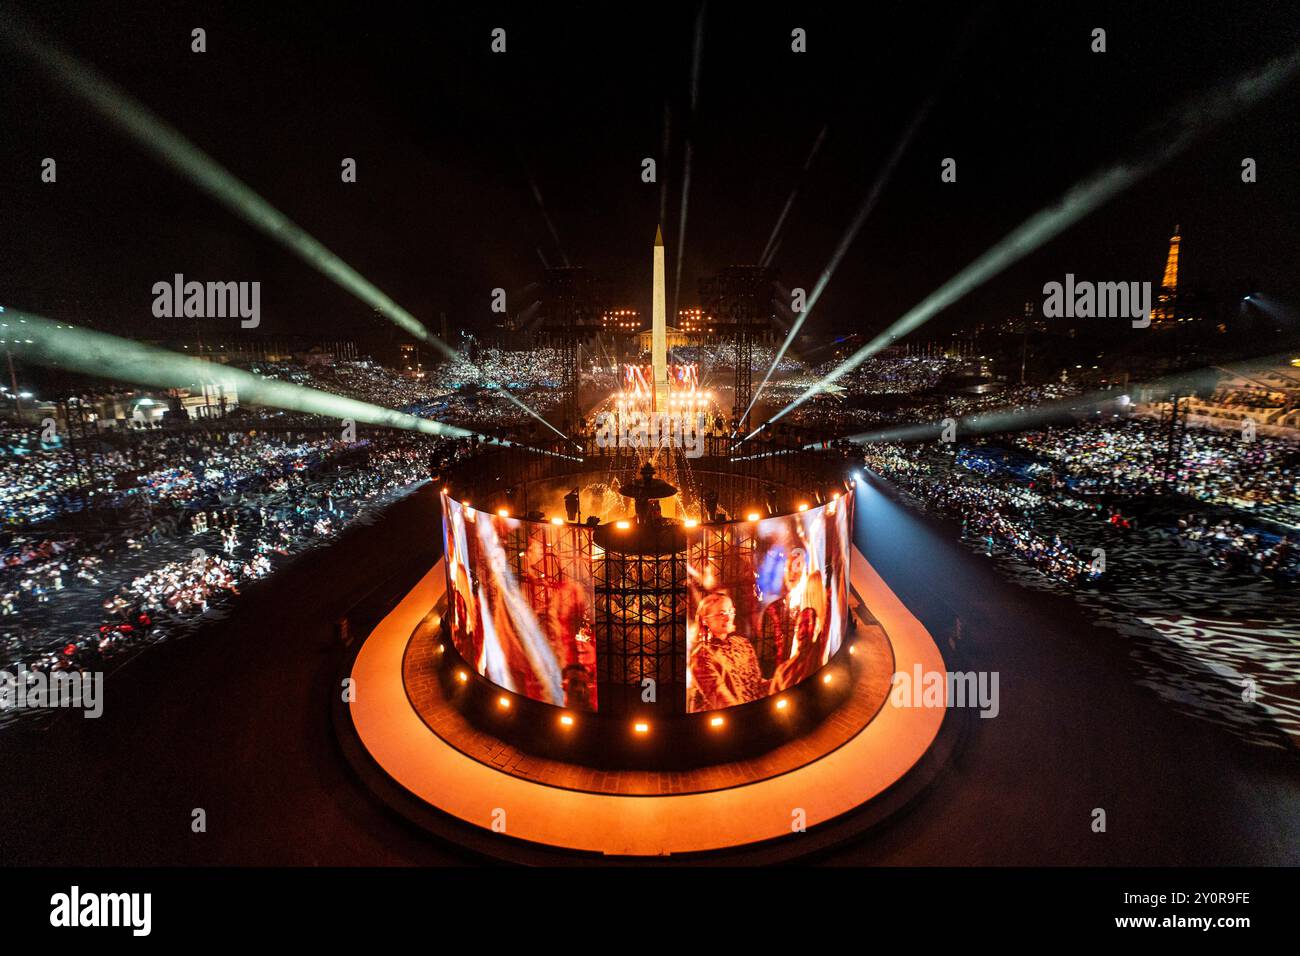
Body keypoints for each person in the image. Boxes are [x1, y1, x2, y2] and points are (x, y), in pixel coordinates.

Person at [688, 592, 765, 711]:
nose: (728, 618)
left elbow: (757, 686)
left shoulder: (743, 644)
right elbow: (722, 702)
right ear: (705, 620)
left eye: (730, 611)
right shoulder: (702, 657)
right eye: (721, 613)